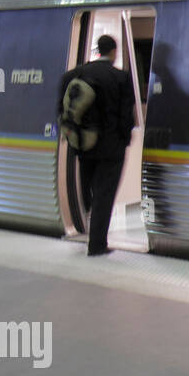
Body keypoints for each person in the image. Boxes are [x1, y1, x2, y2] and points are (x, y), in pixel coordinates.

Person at [57, 35, 135, 256]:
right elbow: (125, 117)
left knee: (90, 189)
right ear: (113, 52)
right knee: (104, 194)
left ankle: (85, 222)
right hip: (111, 148)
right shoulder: (120, 77)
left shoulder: (75, 74)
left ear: (97, 50)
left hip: (83, 145)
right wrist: (124, 140)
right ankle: (97, 244)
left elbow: (62, 109)